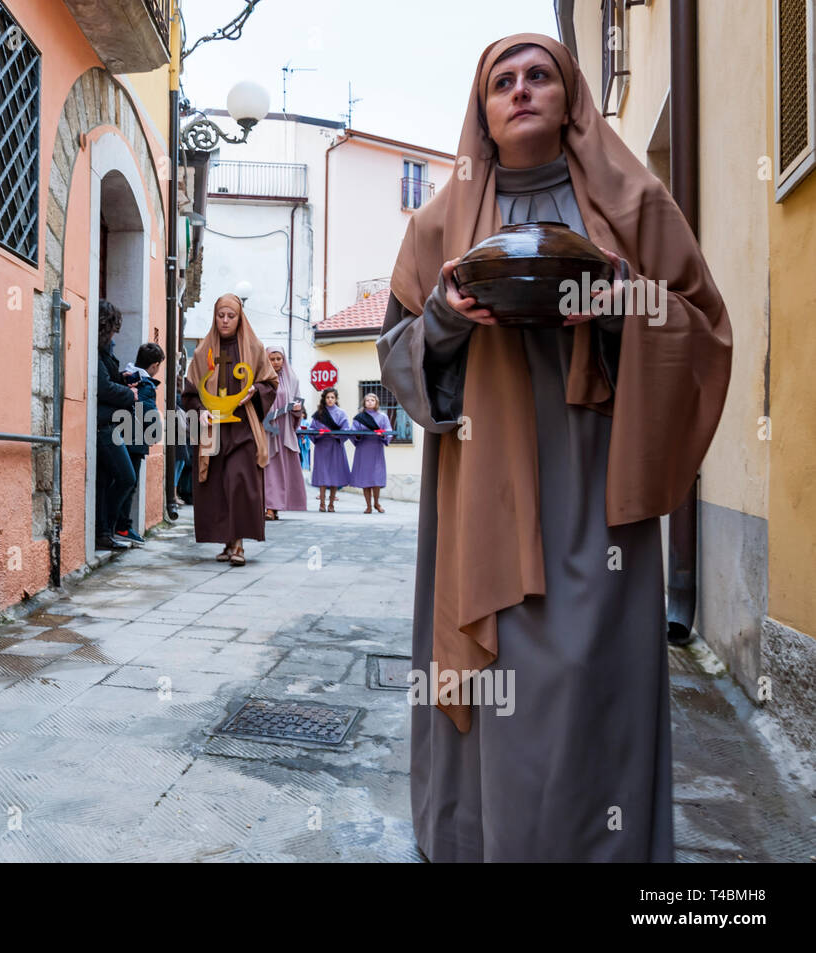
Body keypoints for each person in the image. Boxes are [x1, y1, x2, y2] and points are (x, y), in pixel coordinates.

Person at [377, 34, 730, 862]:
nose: (523, 90)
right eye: (504, 82)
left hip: (597, 486)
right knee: (497, 691)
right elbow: (397, 351)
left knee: (586, 677)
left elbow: (704, 330)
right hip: (483, 487)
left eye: (541, 76)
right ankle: (483, 841)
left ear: (571, 98)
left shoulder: (635, 203)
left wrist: (619, 306)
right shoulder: (437, 225)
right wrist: (446, 317)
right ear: (484, 112)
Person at [180, 294, 277, 566]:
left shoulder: (255, 349)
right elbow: (189, 392)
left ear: (239, 318)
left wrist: (255, 391)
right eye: (220, 316)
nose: (225, 321)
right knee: (219, 486)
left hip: (244, 429)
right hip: (214, 432)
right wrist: (201, 410)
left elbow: (270, 382)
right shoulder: (202, 353)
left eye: (230, 316)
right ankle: (227, 542)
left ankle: (239, 545)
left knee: (240, 483)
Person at [94, 300, 136, 551]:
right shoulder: (97, 350)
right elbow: (102, 386)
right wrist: (129, 394)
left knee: (105, 481)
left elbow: (108, 380)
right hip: (104, 427)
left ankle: (103, 532)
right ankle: (105, 529)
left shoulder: (103, 350)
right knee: (126, 477)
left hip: (109, 424)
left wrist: (122, 379)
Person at [114, 341, 165, 547]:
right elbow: (148, 412)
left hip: (122, 435)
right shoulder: (145, 384)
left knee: (123, 483)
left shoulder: (127, 376)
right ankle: (122, 526)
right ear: (154, 366)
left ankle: (119, 525)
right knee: (129, 484)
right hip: (134, 440)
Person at [262, 346, 306, 520]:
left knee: (283, 468)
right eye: (272, 359)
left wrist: (296, 409)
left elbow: (298, 401)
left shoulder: (292, 379)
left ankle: (278, 505)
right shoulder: (261, 379)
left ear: (283, 359)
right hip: (267, 429)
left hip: (284, 429)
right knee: (269, 468)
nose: (275, 362)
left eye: (278, 358)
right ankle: (270, 507)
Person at [307, 387, 351, 512]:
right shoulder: (319, 413)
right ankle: (321, 503)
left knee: (334, 474)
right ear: (324, 399)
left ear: (336, 399)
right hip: (322, 446)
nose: (330, 399)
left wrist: (336, 435)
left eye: (332, 397)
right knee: (323, 474)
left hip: (336, 446)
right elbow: (311, 430)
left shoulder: (341, 413)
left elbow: (346, 430)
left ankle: (331, 504)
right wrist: (319, 434)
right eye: (327, 397)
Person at [349, 392, 393, 513]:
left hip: (376, 449)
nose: (370, 402)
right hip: (363, 449)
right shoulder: (359, 417)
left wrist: (383, 433)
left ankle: (376, 503)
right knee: (366, 478)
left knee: (376, 478)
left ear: (376, 402)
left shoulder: (382, 416)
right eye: (367, 400)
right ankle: (368, 505)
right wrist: (357, 435)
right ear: (364, 402)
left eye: (372, 400)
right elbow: (353, 431)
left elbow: (388, 430)